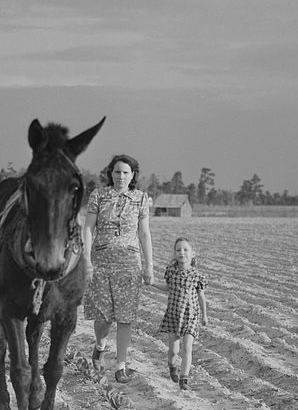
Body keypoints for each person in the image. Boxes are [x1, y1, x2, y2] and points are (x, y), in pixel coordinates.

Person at [81, 154, 154, 383]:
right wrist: (86, 260)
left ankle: (121, 367)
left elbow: (144, 233)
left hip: (130, 264)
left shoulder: (140, 198)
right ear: (110, 173)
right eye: (116, 172)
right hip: (101, 263)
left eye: (125, 172)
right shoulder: (99, 195)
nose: (120, 176)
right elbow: (87, 229)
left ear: (132, 175)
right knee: (103, 318)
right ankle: (100, 345)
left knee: (125, 318)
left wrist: (149, 265)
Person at [148, 236, 208, 391]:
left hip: (191, 316)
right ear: (174, 254)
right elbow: (167, 287)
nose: (182, 253)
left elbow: (201, 296)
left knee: (187, 348)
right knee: (173, 351)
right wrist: (153, 283)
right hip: (174, 315)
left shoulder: (197, 276)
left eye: (186, 249)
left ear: (193, 253)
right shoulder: (171, 272)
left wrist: (204, 315)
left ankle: (184, 378)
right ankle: (172, 366)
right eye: (178, 250)